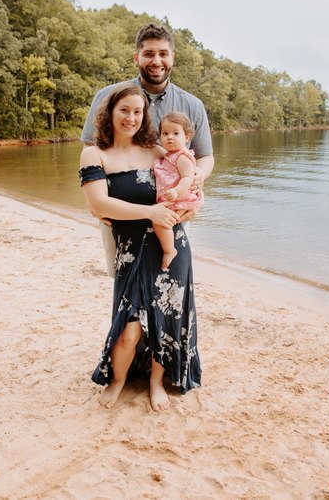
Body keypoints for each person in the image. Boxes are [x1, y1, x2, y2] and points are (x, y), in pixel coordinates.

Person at [79, 83, 201, 412]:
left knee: (167, 316)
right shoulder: (95, 154)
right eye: (125, 110)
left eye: (138, 112)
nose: (131, 117)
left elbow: (188, 176)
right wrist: (149, 211)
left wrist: (196, 203)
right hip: (130, 252)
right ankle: (117, 379)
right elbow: (100, 203)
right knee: (128, 329)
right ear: (110, 113)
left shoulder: (155, 150)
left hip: (171, 246)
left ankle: (156, 381)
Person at [81, 23, 214, 276]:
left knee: (170, 281)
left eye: (163, 53)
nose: (157, 60)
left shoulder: (193, 105)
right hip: (121, 212)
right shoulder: (108, 97)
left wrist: (196, 182)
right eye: (149, 54)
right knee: (126, 284)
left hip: (171, 210)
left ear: (172, 57)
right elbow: (91, 149)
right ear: (136, 58)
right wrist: (95, 199)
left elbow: (205, 156)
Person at [153, 112, 204, 269]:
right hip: (173, 196)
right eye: (165, 133)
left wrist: (176, 191)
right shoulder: (170, 155)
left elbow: (187, 178)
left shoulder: (182, 156)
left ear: (187, 137)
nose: (170, 137)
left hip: (179, 197)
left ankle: (169, 250)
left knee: (160, 222)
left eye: (176, 133)